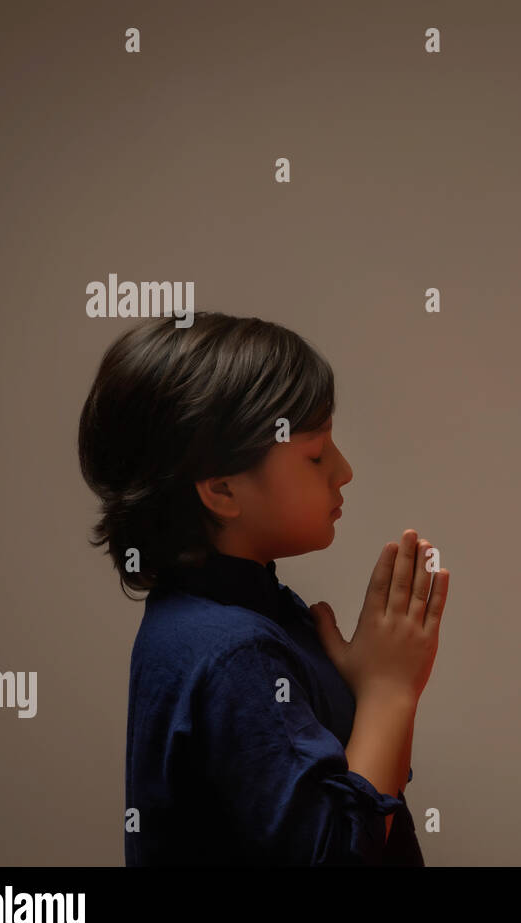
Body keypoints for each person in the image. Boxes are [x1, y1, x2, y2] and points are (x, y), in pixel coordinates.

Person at [78, 311, 448, 865]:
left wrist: (358, 696)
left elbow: (363, 807)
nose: (343, 470)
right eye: (316, 454)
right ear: (222, 489)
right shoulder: (233, 651)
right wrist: (390, 692)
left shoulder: (233, 617)